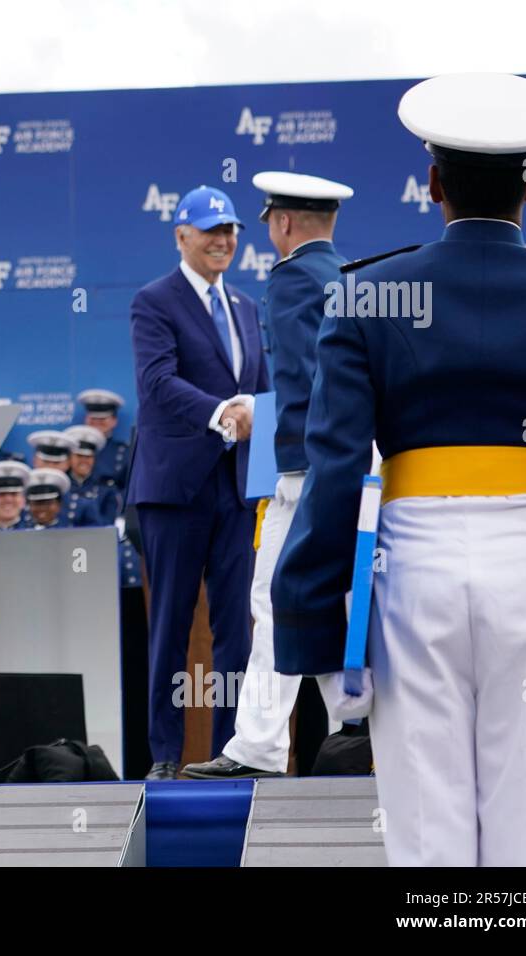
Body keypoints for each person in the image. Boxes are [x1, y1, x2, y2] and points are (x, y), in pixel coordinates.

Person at [272, 73, 526, 866]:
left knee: (425, 828)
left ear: (433, 183)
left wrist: (305, 606)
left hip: (413, 568)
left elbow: (334, 464)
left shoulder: (368, 293)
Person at [183, 171, 352, 780]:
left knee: (276, 604)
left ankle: (261, 748)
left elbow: (312, 384)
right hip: (346, 470)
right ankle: (355, 735)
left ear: (281, 223)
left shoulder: (291, 281)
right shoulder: (350, 278)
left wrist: (268, 419)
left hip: (307, 474)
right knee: (333, 606)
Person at [128, 185, 269, 781]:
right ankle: (164, 753)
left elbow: (260, 388)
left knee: (235, 626)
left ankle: (232, 749)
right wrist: (222, 414)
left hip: (236, 489)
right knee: (172, 625)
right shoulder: (153, 301)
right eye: (210, 230)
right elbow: (156, 382)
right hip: (175, 491)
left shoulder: (246, 307)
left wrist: (255, 417)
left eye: (231, 230)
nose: (223, 240)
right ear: (180, 236)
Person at [63, 424, 120, 526]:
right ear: (69, 457)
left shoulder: (106, 487)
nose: (84, 461)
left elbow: (108, 523)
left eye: (88, 457)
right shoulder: (62, 486)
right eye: (79, 456)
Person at [77, 388, 129, 488]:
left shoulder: (124, 451)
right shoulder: (74, 449)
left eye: (102, 418)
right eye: (93, 418)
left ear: (114, 421)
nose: (97, 422)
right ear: (86, 419)